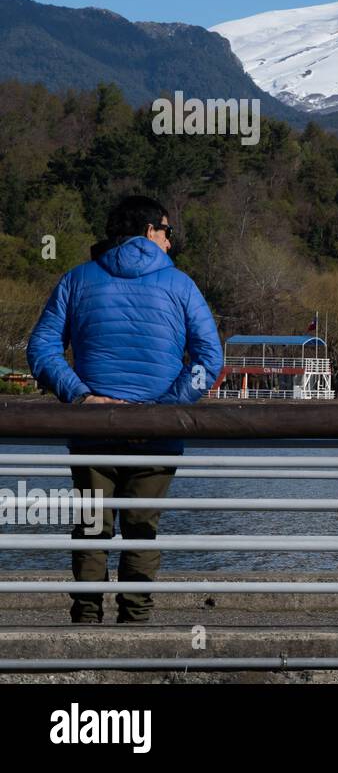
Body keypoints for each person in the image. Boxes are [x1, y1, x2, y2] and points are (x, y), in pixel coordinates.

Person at [27, 195, 222, 624]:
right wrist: (164, 408)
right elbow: (210, 358)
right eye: (168, 232)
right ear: (151, 231)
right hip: (158, 434)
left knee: (91, 529)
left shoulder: (76, 279)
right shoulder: (181, 285)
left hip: (93, 429)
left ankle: (86, 621)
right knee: (141, 531)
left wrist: (81, 396)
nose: (171, 243)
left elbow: (41, 348)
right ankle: (135, 622)